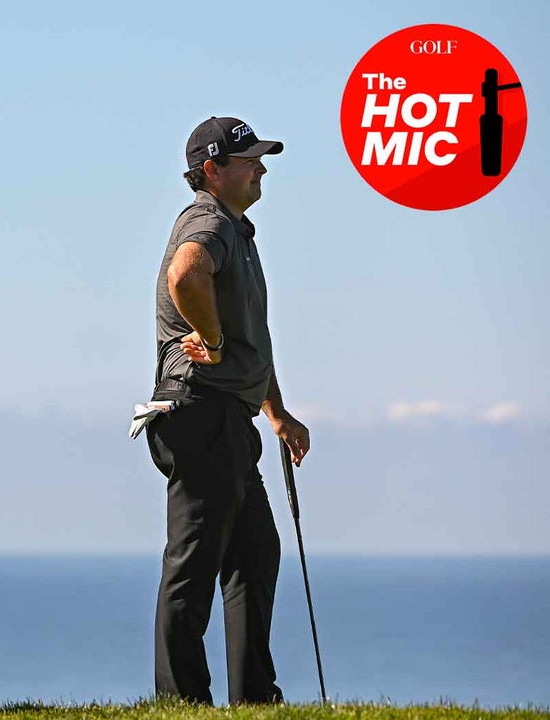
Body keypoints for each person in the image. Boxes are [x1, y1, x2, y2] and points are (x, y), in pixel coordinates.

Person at [144, 116, 311, 705]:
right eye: (249, 159)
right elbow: (185, 274)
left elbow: (250, 340)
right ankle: (181, 701)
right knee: (195, 562)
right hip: (199, 411)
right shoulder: (207, 221)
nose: (261, 167)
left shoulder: (235, 230)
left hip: (225, 415)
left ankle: (254, 698)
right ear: (212, 169)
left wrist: (277, 410)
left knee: (254, 552)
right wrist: (210, 342)